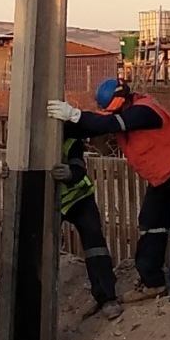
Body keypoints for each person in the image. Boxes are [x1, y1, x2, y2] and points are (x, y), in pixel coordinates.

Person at [48, 78, 170, 303]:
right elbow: (95, 124)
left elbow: (112, 123)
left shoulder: (146, 111)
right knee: (150, 226)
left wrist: (75, 114)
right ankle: (153, 282)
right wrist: (63, 122)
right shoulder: (121, 114)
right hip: (161, 178)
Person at [54, 124, 122, 318]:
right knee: (42, 249)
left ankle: (107, 298)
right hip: (51, 203)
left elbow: (78, 168)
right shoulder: (30, 138)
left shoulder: (71, 141)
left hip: (79, 199)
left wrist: (69, 173)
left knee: (95, 246)